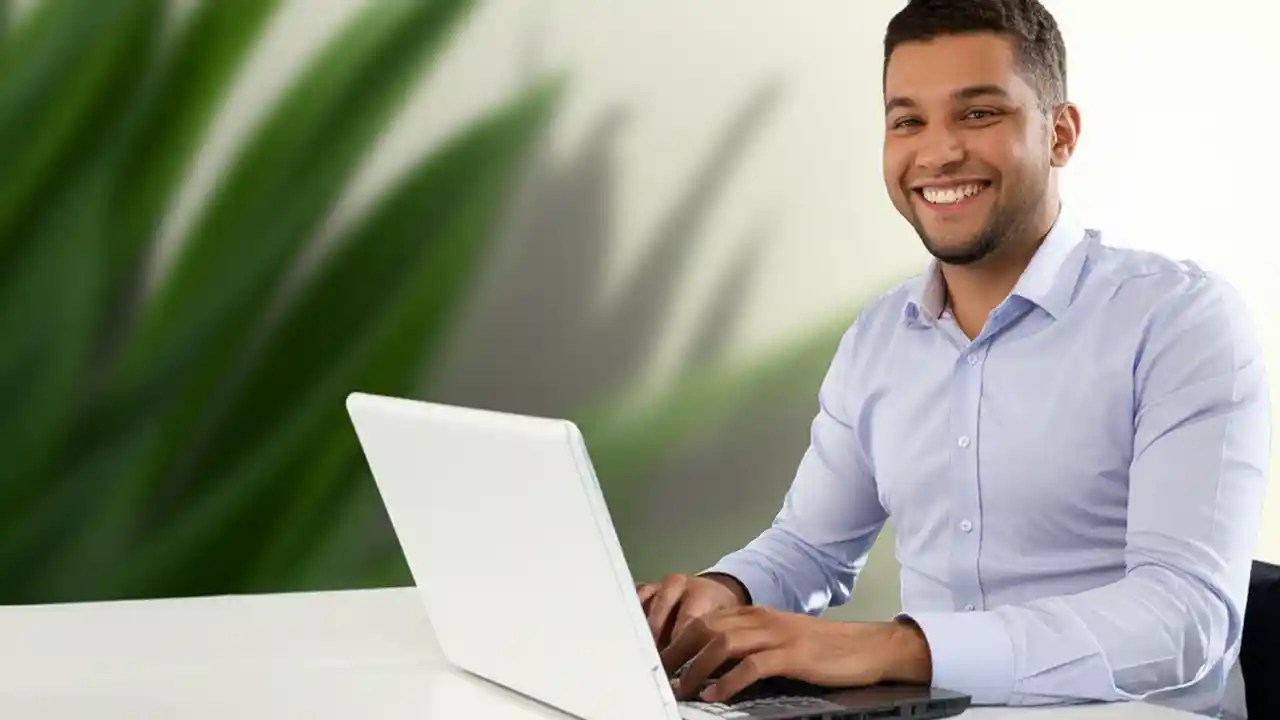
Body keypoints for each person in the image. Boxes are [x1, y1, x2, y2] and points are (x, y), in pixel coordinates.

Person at [635, 0, 1271, 716]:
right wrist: (721, 596)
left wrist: (898, 648)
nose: (936, 153)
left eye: (978, 114)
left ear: (1059, 134)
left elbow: (1185, 619)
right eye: (907, 120)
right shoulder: (880, 338)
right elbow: (809, 547)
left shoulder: (1180, 320)